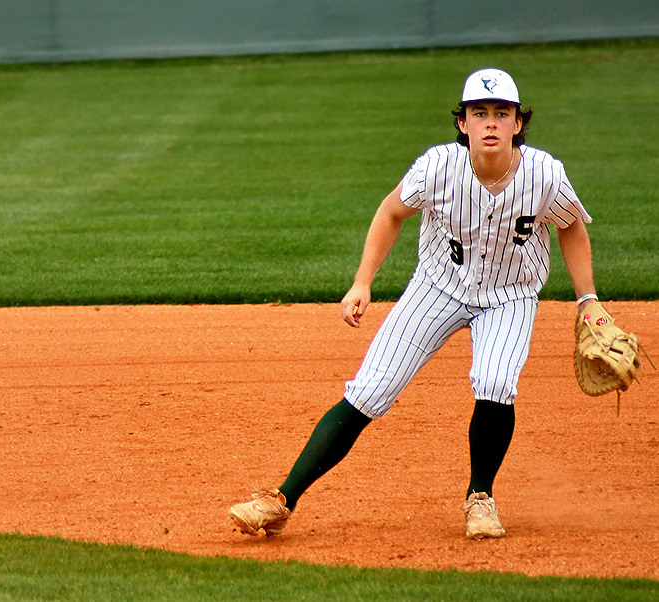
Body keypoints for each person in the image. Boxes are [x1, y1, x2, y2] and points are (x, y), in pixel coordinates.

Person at [228, 68, 599, 539]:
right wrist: (363, 282)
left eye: (501, 114)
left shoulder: (545, 174)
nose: (490, 123)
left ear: (517, 124)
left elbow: (571, 225)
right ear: (462, 123)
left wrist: (587, 298)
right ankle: (280, 500)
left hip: (511, 294)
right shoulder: (437, 167)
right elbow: (391, 211)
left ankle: (480, 497)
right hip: (438, 287)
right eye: (478, 113)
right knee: (369, 391)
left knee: (495, 382)